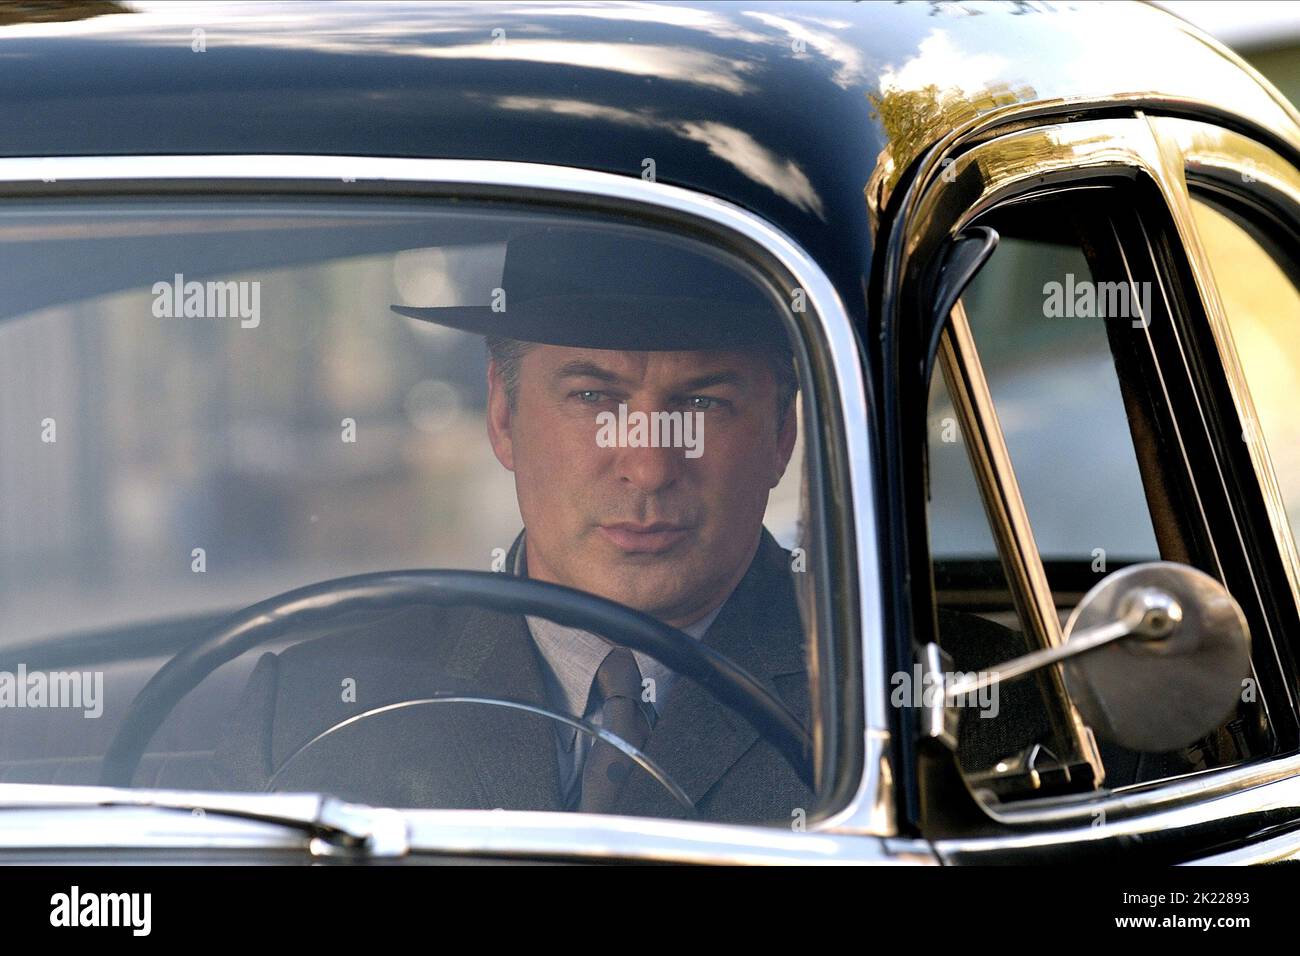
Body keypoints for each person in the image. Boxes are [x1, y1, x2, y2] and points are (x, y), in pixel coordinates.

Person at [213, 225, 812, 823]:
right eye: (594, 397)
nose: (650, 465)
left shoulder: (875, 702)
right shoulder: (313, 711)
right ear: (503, 415)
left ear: (782, 434)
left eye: (702, 404)